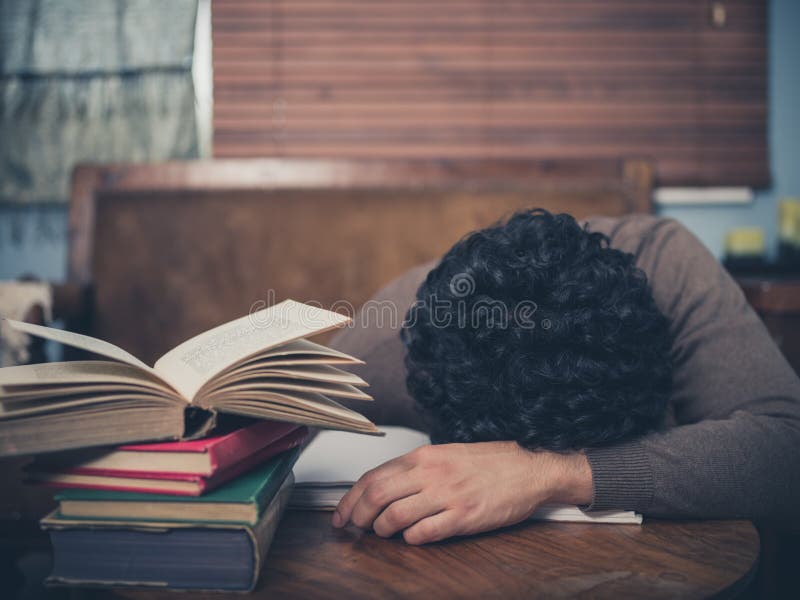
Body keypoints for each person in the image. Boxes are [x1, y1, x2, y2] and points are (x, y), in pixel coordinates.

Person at [328, 209, 800, 546]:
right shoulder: (378, 351)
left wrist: (551, 472)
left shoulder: (668, 264)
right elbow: (266, 422)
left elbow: (786, 448)